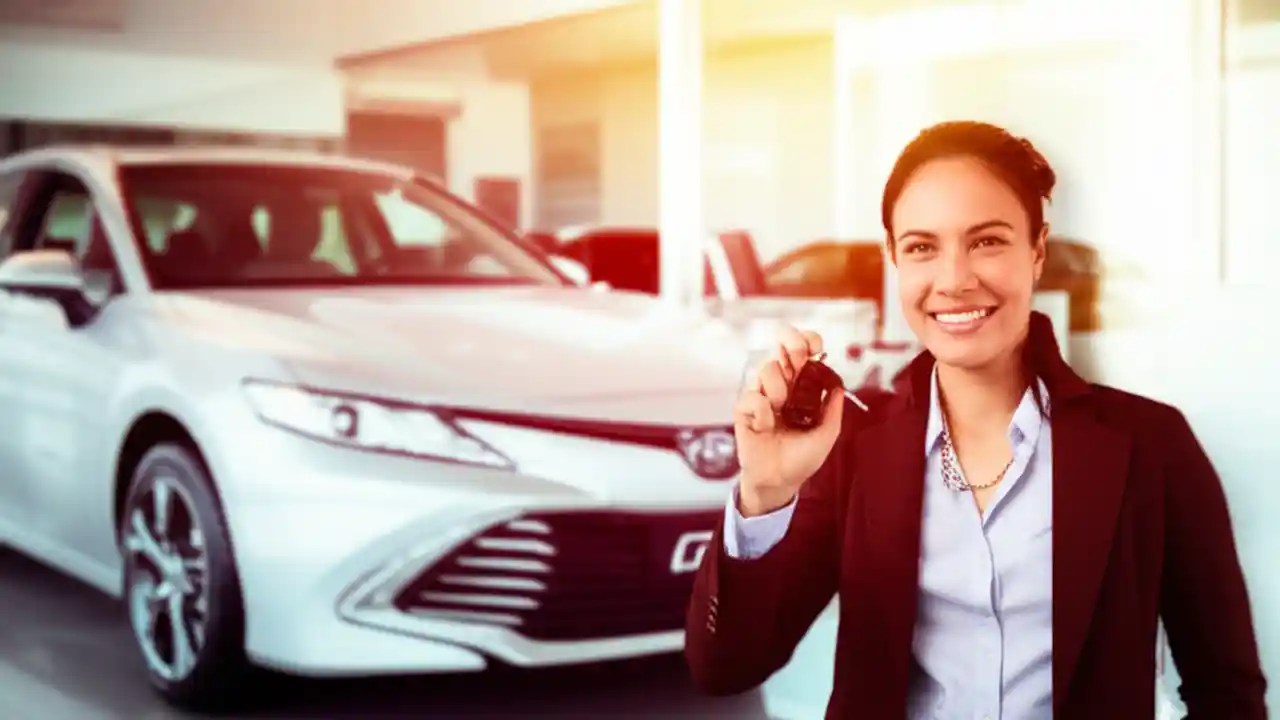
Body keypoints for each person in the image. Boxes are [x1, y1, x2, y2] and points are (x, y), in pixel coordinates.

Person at [684, 120, 1267, 718]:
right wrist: (764, 493)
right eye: (921, 247)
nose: (955, 280)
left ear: (1037, 251)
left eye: (987, 241)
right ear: (893, 258)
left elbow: (1227, 692)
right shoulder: (852, 445)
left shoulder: (1151, 445)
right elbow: (727, 667)